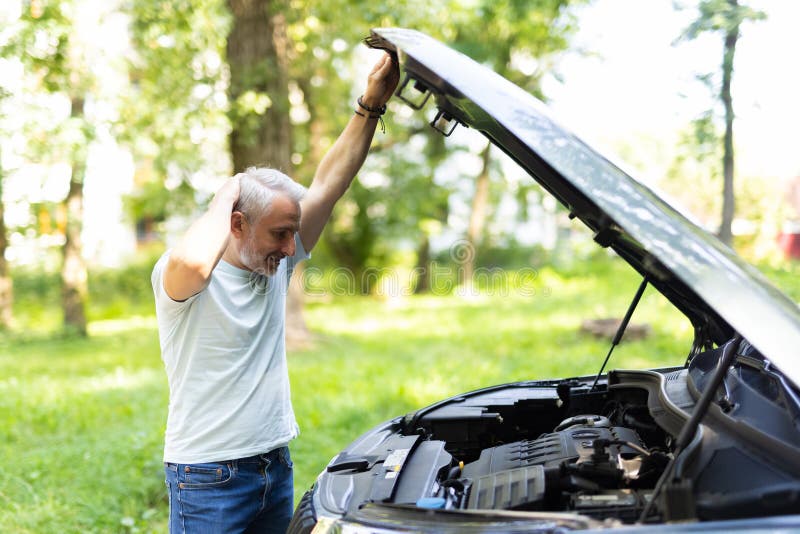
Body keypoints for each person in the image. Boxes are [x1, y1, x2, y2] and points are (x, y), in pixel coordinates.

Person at [151, 52, 399, 533]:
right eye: (280, 234)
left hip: (273, 466)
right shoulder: (182, 273)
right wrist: (232, 188)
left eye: (293, 233)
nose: (292, 248)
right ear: (236, 224)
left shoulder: (273, 266)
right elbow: (195, 262)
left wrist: (371, 103)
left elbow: (330, 182)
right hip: (207, 477)